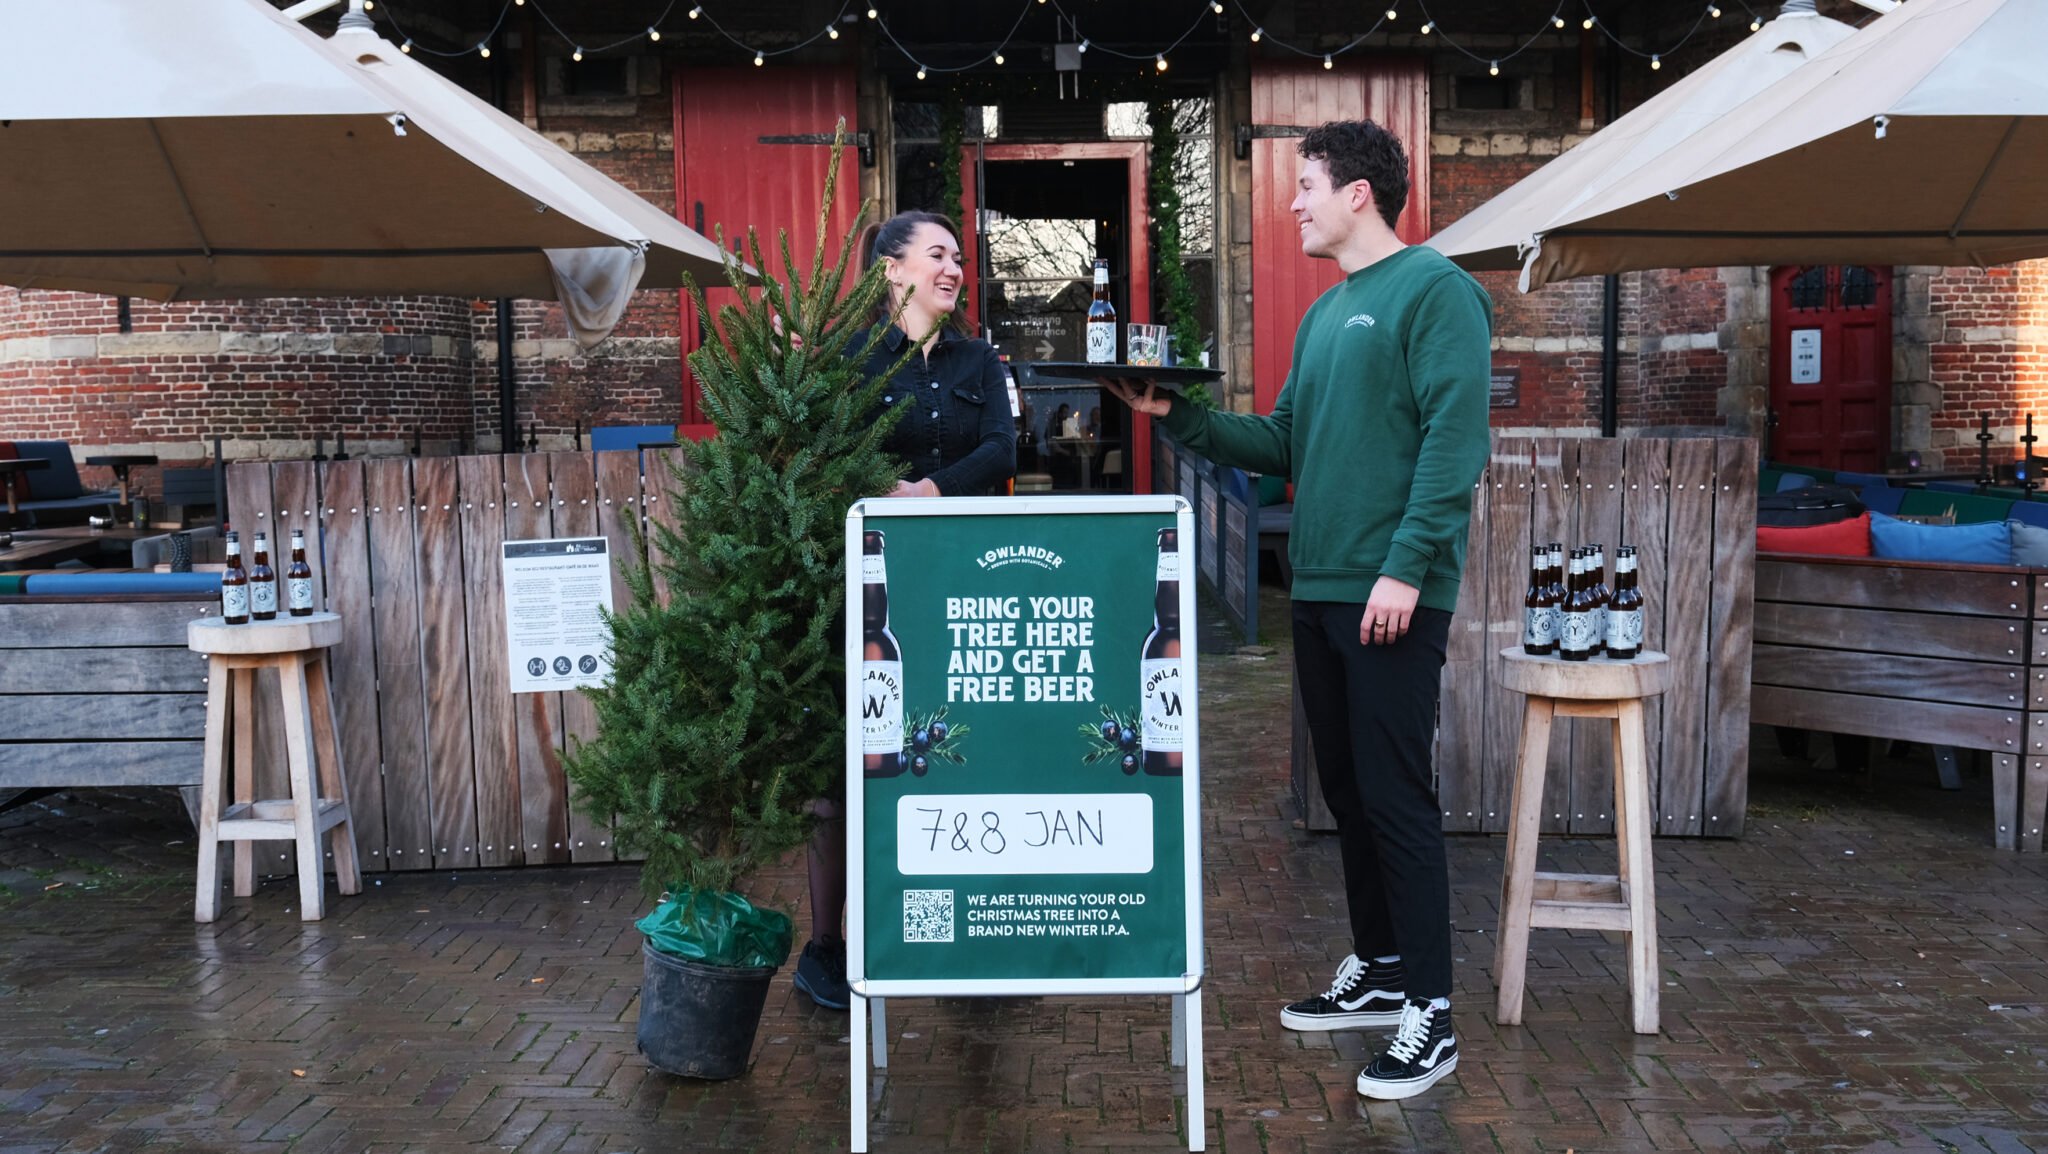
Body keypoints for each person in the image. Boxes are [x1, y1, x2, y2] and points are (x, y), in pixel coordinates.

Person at [1109, 120, 1490, 1100]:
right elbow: (1279, 440)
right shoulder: (1325, 316)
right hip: (1320, 589)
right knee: (1349, 790)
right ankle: (1381, 968)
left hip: (1389, 589)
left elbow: (1453, 443)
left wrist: (1406, 566)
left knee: (1397, 795)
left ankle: (1432, 1014)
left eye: (1306, 182)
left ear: (1358, 190)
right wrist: (1173, 414)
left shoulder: (1435, 293)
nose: (1293, 201)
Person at [794, 210, 1016, 1012]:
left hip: (959, 582)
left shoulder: (979, 359)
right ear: (893, 270)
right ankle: (828, 949)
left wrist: (930, 491)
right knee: (846, 762)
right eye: (937, 255)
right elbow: (818, 448)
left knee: (960, 750)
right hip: (864, 586)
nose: (955, 267)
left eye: (959, 256)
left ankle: (974, 938)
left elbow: (1002, 449)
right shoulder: (846, 360)